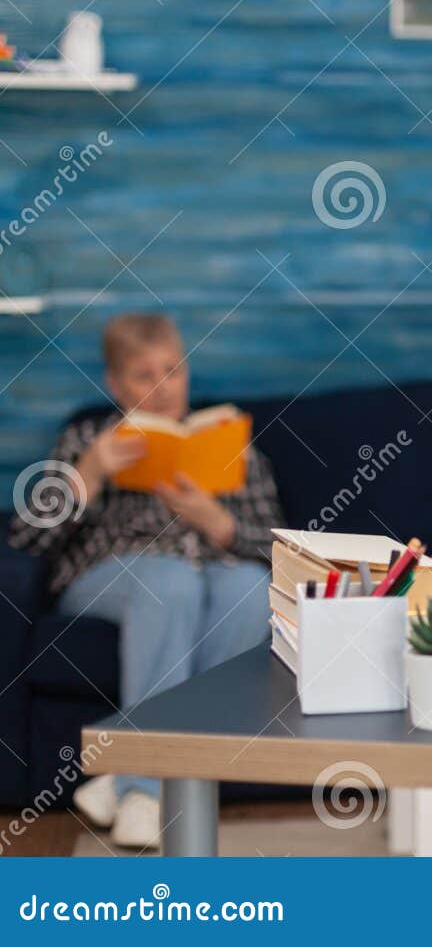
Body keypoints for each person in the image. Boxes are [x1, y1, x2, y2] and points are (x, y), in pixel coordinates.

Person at [9, 313, 284, 850]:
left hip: (212, 568)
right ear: (115, 384)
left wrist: (214, 520)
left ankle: (131, 778)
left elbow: (278, 547)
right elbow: (25, 538)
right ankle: (144, 782)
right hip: (113, 577)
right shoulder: (89, 435)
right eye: (143, 376)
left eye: (173, 371)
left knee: (249, 591)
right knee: (171, 582)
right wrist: (88, 472)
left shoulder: (230, 443)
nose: (162, 389)